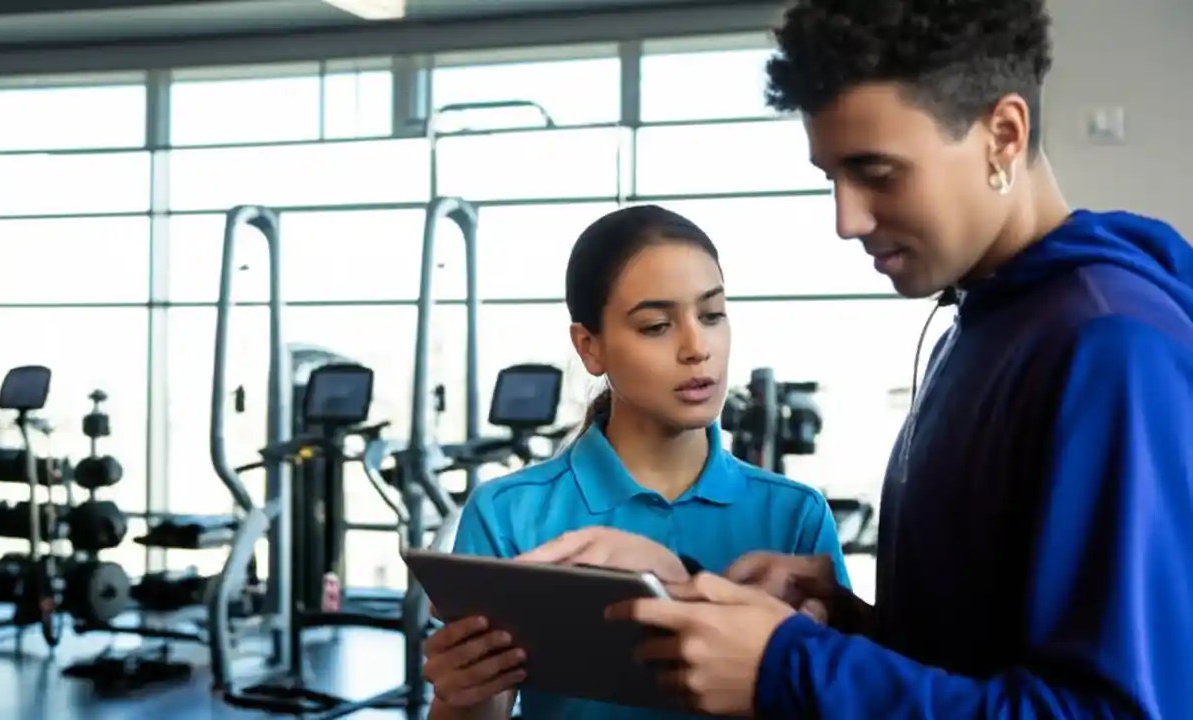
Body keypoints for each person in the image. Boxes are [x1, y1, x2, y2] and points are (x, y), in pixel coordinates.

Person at [521, 0, 1193, 717]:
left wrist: (791, 667)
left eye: (877, 172)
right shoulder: (977, 326)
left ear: (1002, 134)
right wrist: (837, 621)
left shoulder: (1111, 347)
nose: (848, 219)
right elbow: (980, 659)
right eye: (832, 176)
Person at [421, 204, 851, 720]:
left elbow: (838, 697)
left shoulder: (794, 516)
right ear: (589, 347)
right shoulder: (507, 513)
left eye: (712, 315)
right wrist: (462, 695)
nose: (697, 347)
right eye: (656, 326)